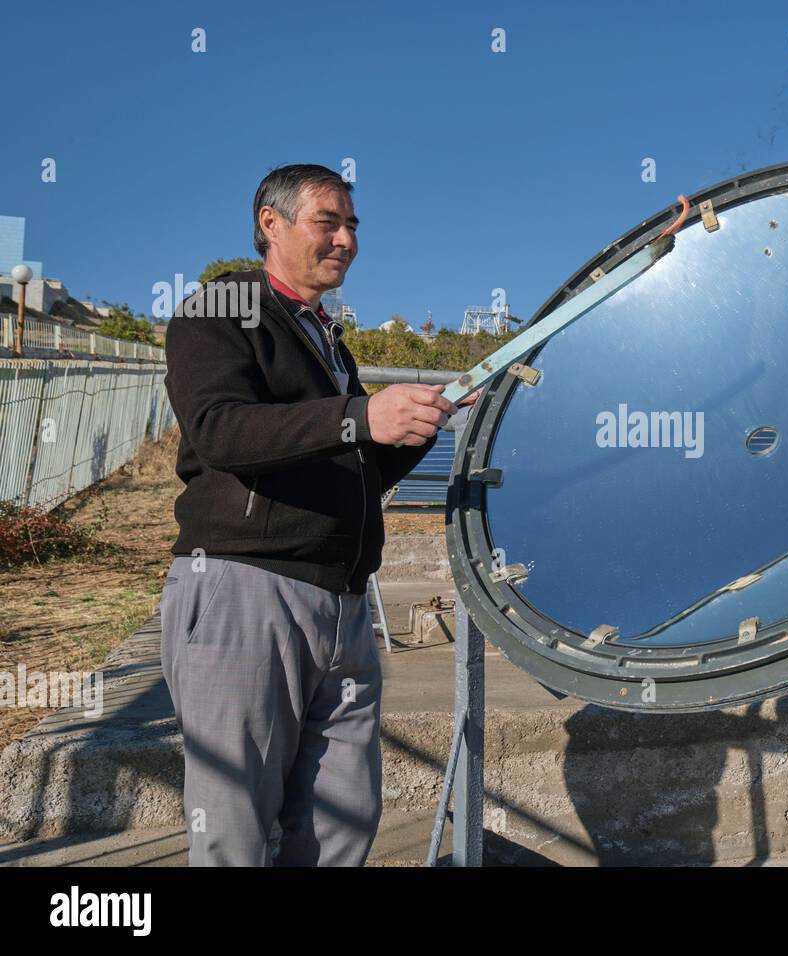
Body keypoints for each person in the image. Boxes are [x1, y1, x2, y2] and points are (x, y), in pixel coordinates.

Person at [160, 163, 475, 865]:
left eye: (353, 226)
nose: (346, 240)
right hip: (246, 588)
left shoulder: (329, 342)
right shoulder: (221, 310)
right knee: (235, 828)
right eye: (328, 222)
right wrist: (360, 414)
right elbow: (219, 429)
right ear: (271, 225)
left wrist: (420, 424)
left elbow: (356, 461)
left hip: (342, 602)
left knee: (342, 818)